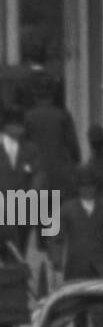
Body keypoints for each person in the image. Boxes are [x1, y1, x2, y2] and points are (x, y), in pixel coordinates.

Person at [53, 166, 103, 327]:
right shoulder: (67, 209)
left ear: (96, 187)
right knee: (79, 314)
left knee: (100, 313)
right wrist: (56, 266)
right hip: (76, 269)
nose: (88, 190)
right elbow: (56, 238)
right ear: (78, 188)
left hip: (101, 270)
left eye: (91, 186)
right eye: (84, 186)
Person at [0, 107, 39, 256]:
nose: (18, 129)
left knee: (20, 251)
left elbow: (39, 172)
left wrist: (33, 193)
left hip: (23, 205)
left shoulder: (30, 149)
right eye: (14, 124)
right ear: (5, 125)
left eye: (20, 125)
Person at [22, 76, 80, 171]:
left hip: (37, 170)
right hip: (60, 170)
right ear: (52, 96)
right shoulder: (63, 116)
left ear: (35, 96)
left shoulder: (28, 117)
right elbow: (72, 145)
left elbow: (23, 146)